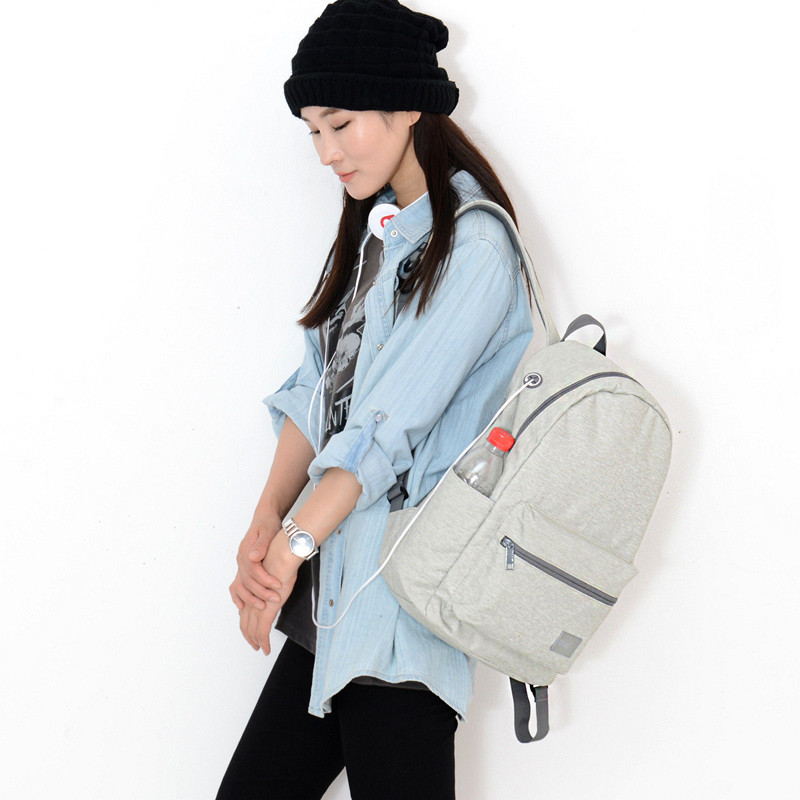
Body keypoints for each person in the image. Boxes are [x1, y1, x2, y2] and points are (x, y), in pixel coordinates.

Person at [217, 1, 533, 797]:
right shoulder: (378, 236)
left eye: (340, 124)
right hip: (333, 605)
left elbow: (382, 434)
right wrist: (266, 522)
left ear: (408, 108)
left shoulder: (476, 248)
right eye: (313, 131)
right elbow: (315, 391)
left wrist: (290, 549)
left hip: (398, 616)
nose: (326, 151)